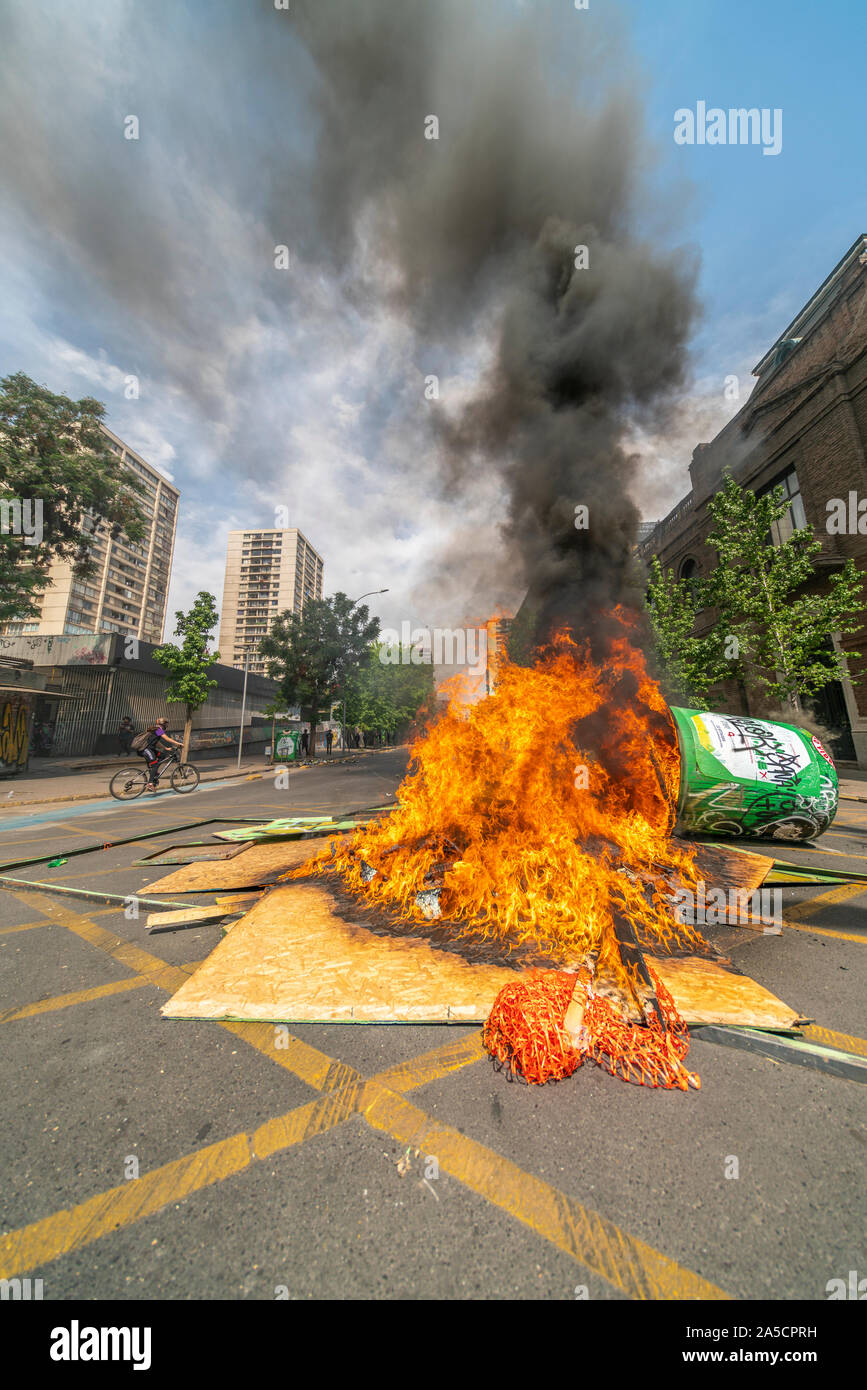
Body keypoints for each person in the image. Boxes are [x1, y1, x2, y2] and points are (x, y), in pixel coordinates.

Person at [139, 717, 183, 792]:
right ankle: (150, 784)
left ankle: (154, 772)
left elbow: (156, 742)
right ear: (164, 724)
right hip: (146, 750)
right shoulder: (158, 730)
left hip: (150, 749)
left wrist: (165, 748)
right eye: (167, 724)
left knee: (162, 755)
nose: (167, 726)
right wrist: (178, 743)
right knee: (155, 765)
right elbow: (167, 739)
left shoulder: (155, 730)